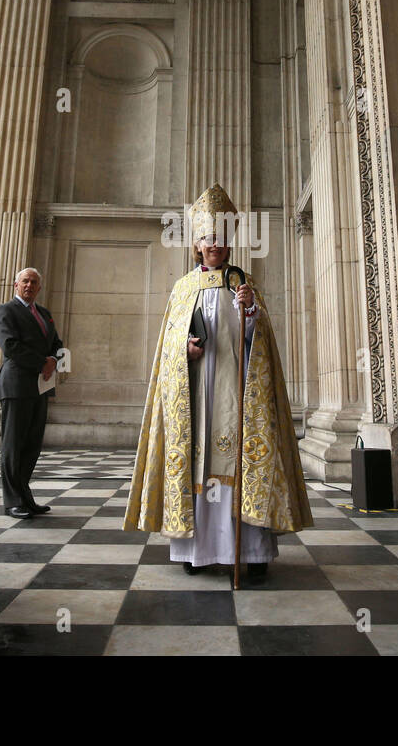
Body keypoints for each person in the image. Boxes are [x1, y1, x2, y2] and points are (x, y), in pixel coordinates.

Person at [123, 184, 312, 583]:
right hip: (195, 397)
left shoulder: (245, 285)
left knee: (240, 464)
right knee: (199, 465)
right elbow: (166, 348)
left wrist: (251, 313)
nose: (215, 246)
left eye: (222, 240)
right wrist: (185, 350)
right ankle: (197, 550)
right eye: (208, 239)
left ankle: (253, 552)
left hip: (236, 396)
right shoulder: (183, 289)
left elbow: (261, 347)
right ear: (196, 244)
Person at [0, 267, 63, 518]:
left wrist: (54, 359)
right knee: (13, 445)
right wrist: (41, 363)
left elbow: (57, 343)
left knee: (32, 445)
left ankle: (25, 497)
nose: (29, 285)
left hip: (40, 387)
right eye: (25, 281)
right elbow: (10, 346)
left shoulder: (44, 313)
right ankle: (12, 501)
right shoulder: (5, 311)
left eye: (34, 282)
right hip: (16, 386)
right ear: (16, 285)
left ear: (39, 288)